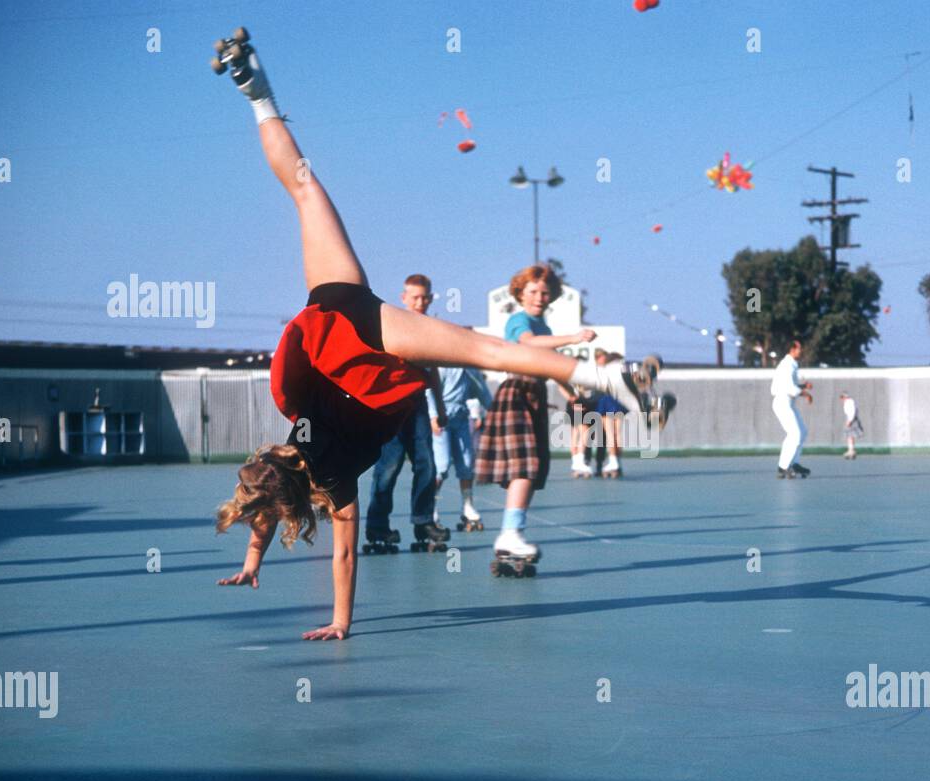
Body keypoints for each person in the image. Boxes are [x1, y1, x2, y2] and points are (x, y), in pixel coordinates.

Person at [210, 31, 649, 638]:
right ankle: (255, 90)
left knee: (488, 350)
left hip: (371, 349)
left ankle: (601, 377)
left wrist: (339, 621)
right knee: (305, 190)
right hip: (342, 312)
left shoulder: (331, 484)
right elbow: (265, 490)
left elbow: (336, 549)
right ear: (271, 460)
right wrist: (251, 556)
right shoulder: (294, 435)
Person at [474, 265, 597, 564]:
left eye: (544, 292)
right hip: (516, 393)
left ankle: (511, 532)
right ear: (520, 293)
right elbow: (529, 345)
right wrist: (574, 338)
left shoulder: (546, 328)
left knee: (535, 468)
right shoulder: (521, 321)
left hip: (536, 395)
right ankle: (510, 534)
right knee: (525, 466)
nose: (539, 297)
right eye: (532, 291)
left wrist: (569, 392)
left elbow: (549, 362)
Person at [363, 275, 451, 552]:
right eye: (415, 297)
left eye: (425, 297)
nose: (420, 302)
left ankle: (423, 522)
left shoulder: (432, 329)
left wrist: (440, 407)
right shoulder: (392, 324)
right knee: (388, 469)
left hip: (418, 407)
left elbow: (433, 371)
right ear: (403, 298)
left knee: (427, 465)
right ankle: (377, 526)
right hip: (391, 409)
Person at [429, 364, 492, 530]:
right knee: (441, 465)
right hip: (442, 418)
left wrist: (494, 412)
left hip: (461, 417)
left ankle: (468, 506)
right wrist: (433, 416)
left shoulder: (470, 369)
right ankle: (431, 508)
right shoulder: (441, 367)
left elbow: (482, 391)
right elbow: (429, 390)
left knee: (466, 463)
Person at [771, 340, 812, 478]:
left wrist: (803, 386)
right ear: (792, 349)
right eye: (799, 349)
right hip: (782, 402)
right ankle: (783, 467)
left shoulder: (791, 365)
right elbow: (789, 388)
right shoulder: (788, 365)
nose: (801, 351)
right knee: (795, 433)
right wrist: (804, 393)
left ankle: (793, 463)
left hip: (788, 402)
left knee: (802, 432)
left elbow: (789, 386)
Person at [840, 391, 863, 460]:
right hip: (851, 419)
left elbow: (852, 412)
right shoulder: (848, 402)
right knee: (850, 436)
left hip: (851, 420)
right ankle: (851, 450)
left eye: (842, 397)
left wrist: (850, 421)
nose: (841, 399)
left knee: (850, 436)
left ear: (845, 397)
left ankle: (851, 451)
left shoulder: (849, 402)